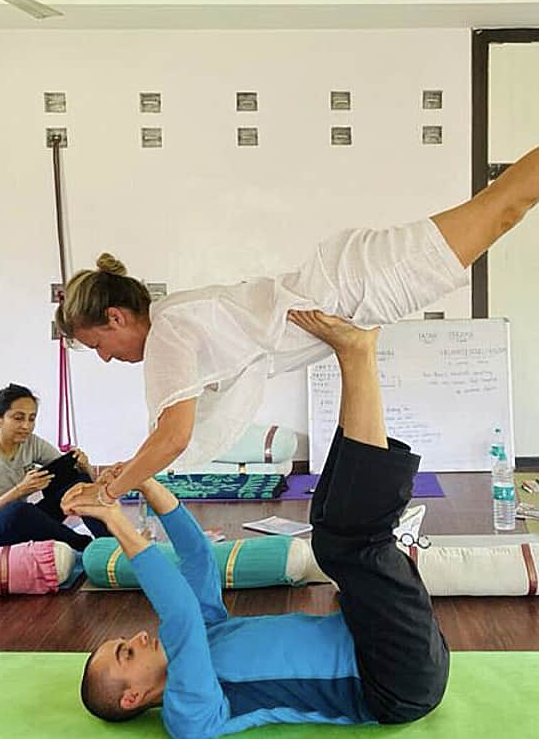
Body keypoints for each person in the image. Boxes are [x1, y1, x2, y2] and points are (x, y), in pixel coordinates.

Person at [55, 86, 539, 506]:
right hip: (350, 287)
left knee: (504, 206)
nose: (108, 358)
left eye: (98, 345)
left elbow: (172, 437)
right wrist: (121, 470)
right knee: (501, 208)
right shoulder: (179, 324)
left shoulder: (169, 332)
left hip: (351, 284)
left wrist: (114, 484)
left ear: (116, 315)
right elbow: (190, 432)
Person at [63, 310, 449, 734]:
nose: (136, 638)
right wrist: (116, 520)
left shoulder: (209, 635)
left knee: (328, 522)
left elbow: (197, 560)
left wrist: (150, 488)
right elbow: (181, 616)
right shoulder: (189, 713)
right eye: (128, 655)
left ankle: (353, 355)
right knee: (350, 544)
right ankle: (357, 353)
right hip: (394, 681)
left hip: (375, 637)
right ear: (132, 697)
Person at [0, 383, 112, 551]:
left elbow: (72, 477)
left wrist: (83, 466)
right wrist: (20, 490)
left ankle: (109, 543)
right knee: (20, 511)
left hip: (19, 523)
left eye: (31, 419)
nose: (26, 426)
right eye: (18, 418)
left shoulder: (31, 442)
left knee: (78, 483)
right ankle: (86, 545)